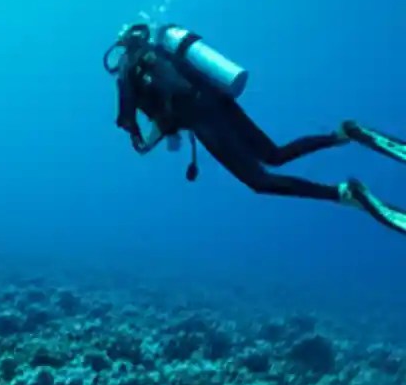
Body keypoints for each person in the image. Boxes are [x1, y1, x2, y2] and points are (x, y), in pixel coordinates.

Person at [104, 21, 406, 235]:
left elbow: (134, 122)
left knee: (260, 181)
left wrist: (142, 142)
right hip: (221, 103)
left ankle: (343, 193)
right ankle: (342, 134)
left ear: (120, 49)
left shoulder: (127, 74)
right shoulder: (165, 48)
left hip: (202, 120)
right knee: (274, 154)